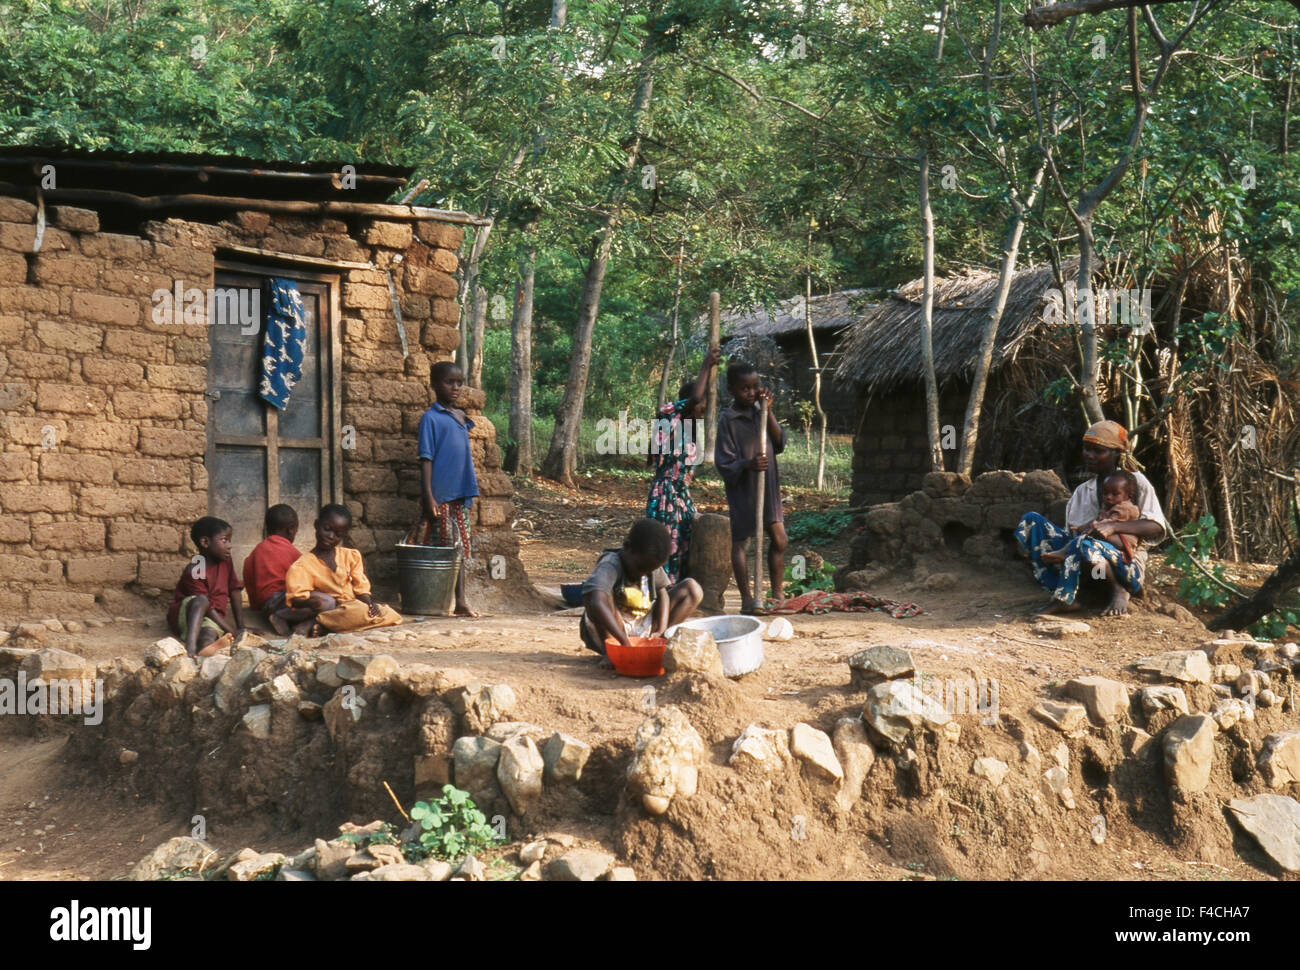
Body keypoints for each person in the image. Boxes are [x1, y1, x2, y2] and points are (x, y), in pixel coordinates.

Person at [1016, 421, 1167, 617]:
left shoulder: (1136, 483)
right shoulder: (1082, 492)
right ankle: (1070, 594)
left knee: (1086, 544)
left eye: (1098, 451)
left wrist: (1113, 526)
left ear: (1117, 454)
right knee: (1031, 523)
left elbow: (1155, 526)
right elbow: (1072, 535)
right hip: (1089, 570)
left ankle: (1118, 590)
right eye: (1087, 449)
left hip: (1124, 567)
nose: (1089, 455)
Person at [716, 361, 788, 613]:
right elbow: (724, 462)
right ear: (731, 390)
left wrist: (768, 411)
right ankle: (748, 599)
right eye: (744, 388)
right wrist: (747, 463)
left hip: (767, 487)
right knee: (741, 543)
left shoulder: (761, 411)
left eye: (754, 387)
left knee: (779, 539)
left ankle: (777, 594)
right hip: (744, 489)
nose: (750, 392)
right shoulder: (728, 420)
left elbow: (779, 442)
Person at [409, 360, 480, 617]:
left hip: (460, 494)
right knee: (438, 546)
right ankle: (430, 599)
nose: (456, 387)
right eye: (449, 382)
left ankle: (460, 601)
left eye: (459, 382)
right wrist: (429, 496)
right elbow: (426, 459)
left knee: (458, 548)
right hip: (440, 495)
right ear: (434, 385)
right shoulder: (431, 418)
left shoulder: (460, 417)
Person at [645, 346, 721, 583]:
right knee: (666, 546)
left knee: (684, 544)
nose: (704, 407)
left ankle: (676, 593)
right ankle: (661, 594)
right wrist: (706, 366)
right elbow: (695, 398)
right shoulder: (670, 417)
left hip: (680, 495)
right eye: (701, 403)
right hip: (666, 494)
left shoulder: (687, 432)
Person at [580, 518, 703, 657]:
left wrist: (661, 631)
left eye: (649, 571)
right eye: (640, 568)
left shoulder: (649, 562)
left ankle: (657, 644)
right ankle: (610, 652)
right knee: (598, 594)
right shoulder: (611, 564)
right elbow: (597, 601)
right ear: (627, 547)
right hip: (613, 631)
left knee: (692, 589)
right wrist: (624, 641)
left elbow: (663, 594)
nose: (643, 574)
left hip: (644, 626)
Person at [284, 504, 402, 635]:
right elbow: (296, 598)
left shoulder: (350, 556)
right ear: (317, 525)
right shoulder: (303, 565)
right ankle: (324, 622)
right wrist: (314, 602)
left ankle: (324, 626)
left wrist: (370, 604)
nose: (331, 536)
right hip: (334, 609)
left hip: (354, 605)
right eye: (327, 529)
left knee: (390, 614)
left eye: (338, 534)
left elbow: (360, 587)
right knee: (354, 614)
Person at [167, 516, 247, 657]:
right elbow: (206, 606)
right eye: (224, 540)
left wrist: (241, 627)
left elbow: (234, 589)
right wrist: (231, 630)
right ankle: (190, 649)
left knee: (207, 636)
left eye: (229, 540)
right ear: (205, 542)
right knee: (202, 600)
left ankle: (205, 649)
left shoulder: (226, 561)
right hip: (188, 615)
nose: (229, 545)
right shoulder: (195, 570)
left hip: (213, 617)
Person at [242, 504, 305, 635]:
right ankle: (286, 618)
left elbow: (249, 579)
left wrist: (256, 607)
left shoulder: (254, 553)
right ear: (291, 530)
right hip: (285, 601)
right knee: (321, 602)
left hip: (265, 607)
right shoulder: (293, 553)